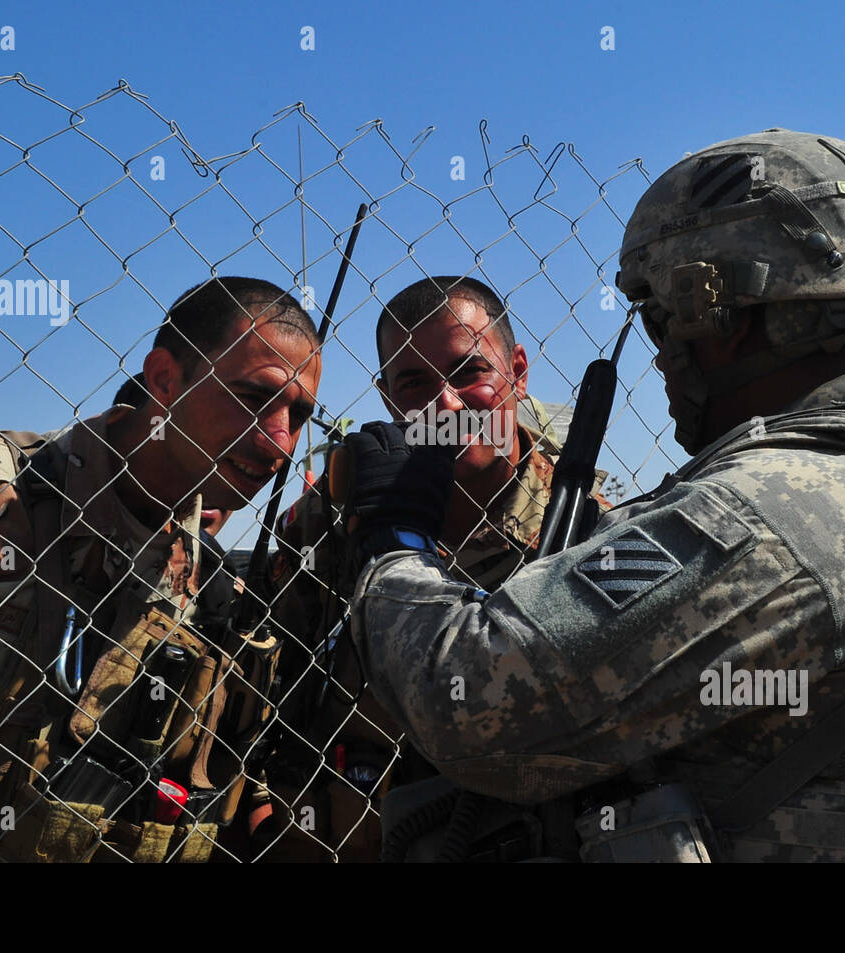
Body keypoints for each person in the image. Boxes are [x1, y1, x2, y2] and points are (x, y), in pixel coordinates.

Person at [334, 130, 845, 862]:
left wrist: (393, 542)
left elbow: (467, 702)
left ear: (719, 309)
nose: (656, 352)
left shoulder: (775, 507)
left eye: (658, 315)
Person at [0, 276, 320, 862]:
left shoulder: (203, 582)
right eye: (254, 397)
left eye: (299, 414)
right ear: (163, 378)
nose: (280, 442)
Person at [259, 275, 604, 861]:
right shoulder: (337, 517)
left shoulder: (582, 528)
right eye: (414, 382)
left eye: (470, 374)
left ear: (518, 372)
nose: (444, 405)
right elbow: (265, 686)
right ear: (389, 397)